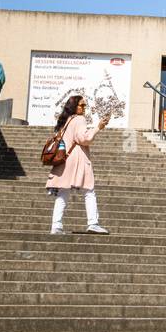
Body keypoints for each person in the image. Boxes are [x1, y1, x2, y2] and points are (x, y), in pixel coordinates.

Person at [46, 94, 109, 236]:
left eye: (85, 105)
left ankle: (56, 225)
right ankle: (93, 223)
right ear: (75, 106)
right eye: (82, 105)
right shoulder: (80, 119)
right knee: (89, 190)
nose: (84, 108)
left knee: (63, 192)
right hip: (78, 159)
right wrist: (98, 127)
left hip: (65, 160)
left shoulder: (66, 120)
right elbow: (84, 138)